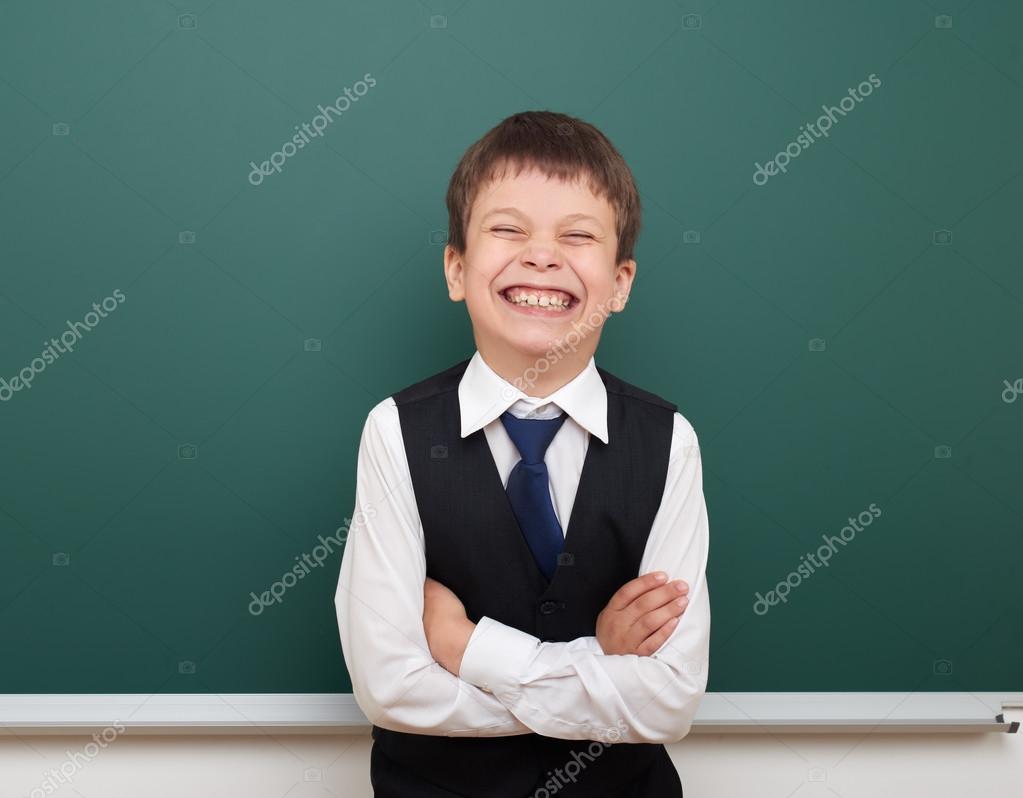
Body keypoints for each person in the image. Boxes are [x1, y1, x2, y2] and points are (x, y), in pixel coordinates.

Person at [335, 110, 710, 797]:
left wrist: (463, 646)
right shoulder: (394, 431)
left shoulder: (667, 442)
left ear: (620, 283)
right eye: (507, 229)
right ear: (456, 268)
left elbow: (667, 700)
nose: (541, 255)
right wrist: (599, 669)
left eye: (577, 235)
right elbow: (389, 687)